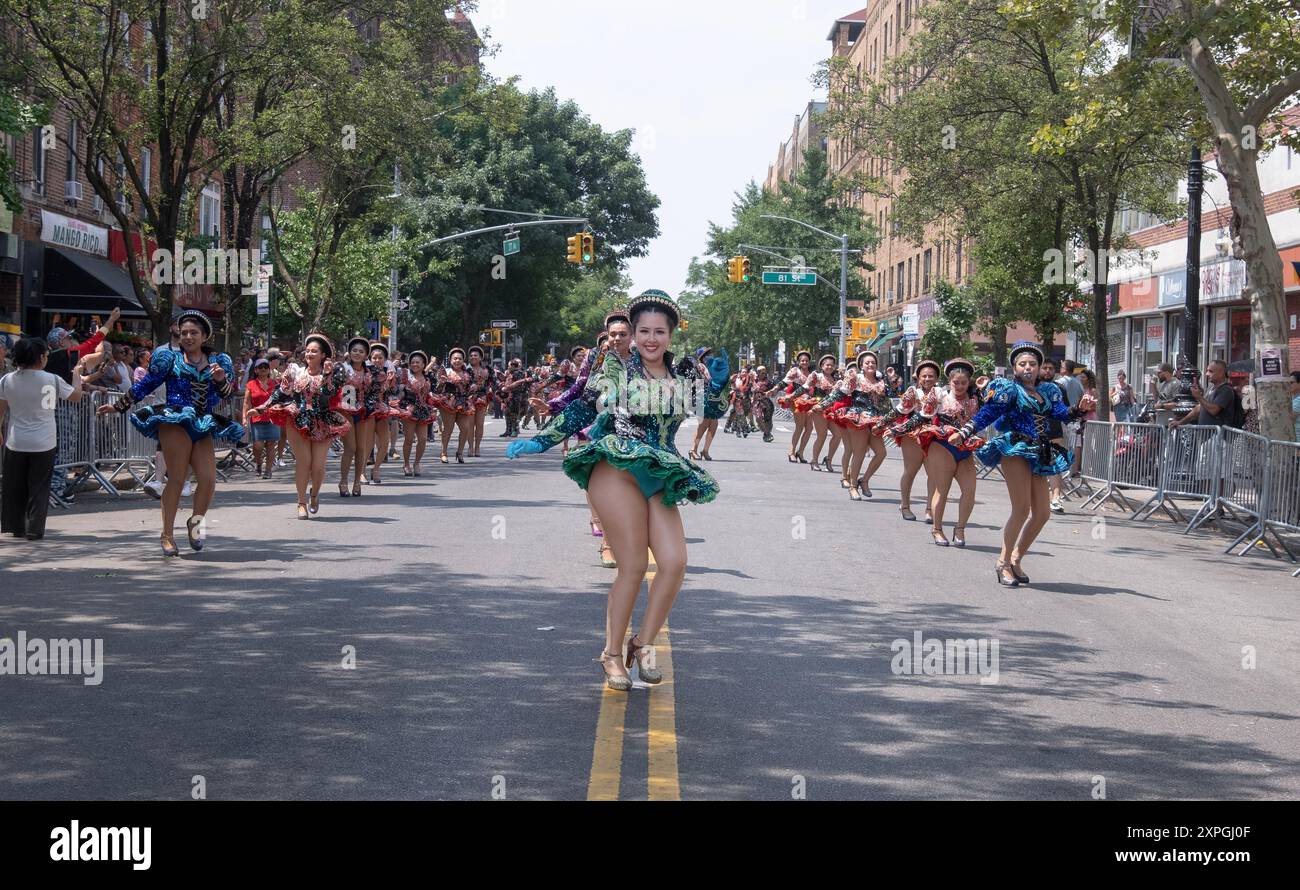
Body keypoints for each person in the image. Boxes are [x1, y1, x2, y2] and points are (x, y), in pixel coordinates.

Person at [507, 290, 718, 690]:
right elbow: (585, 408)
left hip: (660, 468)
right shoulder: (615, 368)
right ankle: (610, 654)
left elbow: (712, 410)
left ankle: (642, 644)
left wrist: (714, 383)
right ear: (634, 334)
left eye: (659, 331)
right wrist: (543, 440)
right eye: (644, 331)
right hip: (617, 465)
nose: (651, 339)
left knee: (674, 564)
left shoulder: (684, 374)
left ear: (671, 335)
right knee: (634, 567)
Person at [948, 341, 1095, 587]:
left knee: (1043, 513)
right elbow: (987, 414)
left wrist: (1079, 409)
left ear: (1039, 367)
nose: (1028, 368)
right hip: (1015, 448)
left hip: (1039, 450)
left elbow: (1061, 413)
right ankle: (1002, 563)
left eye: (1033, 364)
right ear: (1015, 368)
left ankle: (1016, 558)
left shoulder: (1049, 390)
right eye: (1023, 364)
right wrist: (964, 432)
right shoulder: (1008, 390)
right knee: (1021, 509)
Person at [97, 310, 243, 556]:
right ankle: (167, 535)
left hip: (202, 422)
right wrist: (117, 406)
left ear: (205, 336)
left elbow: (227, 395)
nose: (187, 337)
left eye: (193, 333)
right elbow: (145, 385)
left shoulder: (221, 362)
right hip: (174, 420)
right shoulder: (169, 359)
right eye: (183, 332)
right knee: (176, 477)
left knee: (208, 479)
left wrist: (219, 380)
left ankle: (195, 524)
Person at [0, 337, 87, 539]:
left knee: (15, 485)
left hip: (16, 440)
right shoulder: (52, 379)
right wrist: (76, 375)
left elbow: (1, 411)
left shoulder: (7, 380)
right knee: (39, 486)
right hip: (44, 440)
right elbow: (75, 396)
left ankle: (16, 526)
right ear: (41, 358)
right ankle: (34, 528)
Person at [261, 334, 350, 518]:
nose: (309, 353)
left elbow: (328, 393)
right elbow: (281, 391)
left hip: (321, 420)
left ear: (323, 354)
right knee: (304, 462)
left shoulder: (333, 374)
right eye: (307, 350)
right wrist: (263, 406)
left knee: (317, 465)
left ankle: (314, 494)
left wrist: (326, 375)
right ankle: (301, 502)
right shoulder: (294, 371)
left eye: (314, 351)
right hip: (297, 418)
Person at [922, 359, 987, 546]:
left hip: (965, 449)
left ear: (969, 382)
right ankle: (937, 529)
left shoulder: (976, 399)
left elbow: (993, 407)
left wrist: (983, 388)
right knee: (942, 490)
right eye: (955, 383)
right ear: (949, 382)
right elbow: (922, 416)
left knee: (969, 491)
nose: (959, 386)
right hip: (942, 445)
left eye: (963, 383)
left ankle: (960, 529)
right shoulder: (940, 396)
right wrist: (895, 427)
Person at [884, 359, 943, 522]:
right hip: (913, 435)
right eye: (924, 376)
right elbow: (900, 410)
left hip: (934, 437)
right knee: (910, 471)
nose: (927, 379)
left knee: (934, 474)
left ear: (937, 379)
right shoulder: (913, 392)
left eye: (931, 376)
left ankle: (930, 509)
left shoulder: (941, 394)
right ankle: (905, 505)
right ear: (918, 377)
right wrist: (884, 423)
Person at [393, 350, 436, 476]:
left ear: (423, 364)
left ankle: (416, 463)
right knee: (409, 439)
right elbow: (397, 386)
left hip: (423, 410)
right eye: (412, 362)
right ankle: (406, 463)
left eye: (418, 362)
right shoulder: (405, 375)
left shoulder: (428, 377)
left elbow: (432, 392)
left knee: (422, 439)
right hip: (409, 409)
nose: (415, 364)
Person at [432, 347, 475, 463]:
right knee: (448, 429)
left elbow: (472, 387)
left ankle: (460, 452)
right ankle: (444, 452)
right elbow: (438, 389)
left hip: (463, 402)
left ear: (463, 360)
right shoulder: (445, 372)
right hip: (448, 403)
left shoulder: (468, 373)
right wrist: (441, 383)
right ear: (450, 360)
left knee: (465, 428)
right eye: (455, 358)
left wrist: (473, 389)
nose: (457, 361)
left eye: (460, 359)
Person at [689, 346, 730, 461]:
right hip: (703, 396)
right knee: (704, 423)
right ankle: (693, 449)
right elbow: (710, 379)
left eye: (711, 353)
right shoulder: (701, 366)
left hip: (712, 397)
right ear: (702, 358)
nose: (710, 355)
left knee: (714, 424)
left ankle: (705, 450)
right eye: (707, 354)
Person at [1169, 359, 1236, 430]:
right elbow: (1198, 409)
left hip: (1217, 436)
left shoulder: (1225, 390)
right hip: (1206, 435)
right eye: (1207, 371)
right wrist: (1180, 422)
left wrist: (1199, 397)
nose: (1207, 374)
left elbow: (1214, 410)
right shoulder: (1210, 388)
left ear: (1221, 372)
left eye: (1211, 371)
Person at [242, 358, 280, 479]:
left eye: (265, 367)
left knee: (270, 444)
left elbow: (280, 399)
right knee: (257, 445)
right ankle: (258, 463)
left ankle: (268, 470)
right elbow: (246, 403)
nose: (263, 369)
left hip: (273, 418)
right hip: (257, 418)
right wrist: (244, 417)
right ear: (256, 370)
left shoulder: (275, 384)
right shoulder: (251, 384)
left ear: (269, 369)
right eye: (260, 367)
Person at [780, 350, 815, 463]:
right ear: (799, 362)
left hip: (809, 403)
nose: (805, 362)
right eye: (802, 360)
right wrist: (775, 390)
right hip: (797, 402)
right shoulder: (795, 372)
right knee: (799, 427)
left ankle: (800, 452)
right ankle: (791, 452)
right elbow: (785, 382)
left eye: (806, 360)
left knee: (809, 428)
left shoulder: (812, 374)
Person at [1291, 371, 1300, 444]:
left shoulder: (1299, 400)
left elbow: (1289, 419)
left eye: (1291, 383)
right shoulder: (1291, 398)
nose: (1288, 385)